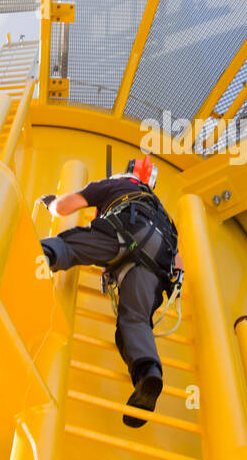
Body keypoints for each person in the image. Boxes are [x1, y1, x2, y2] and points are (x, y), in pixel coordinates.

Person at [37, 156, 182, 428]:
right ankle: (147, 373)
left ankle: (38, 258)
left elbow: (65, 207)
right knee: (136, 321)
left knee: (68, 245)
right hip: (156, 258)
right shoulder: (163, 213)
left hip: (122, 231)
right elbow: (178, 261)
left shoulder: (112, 187)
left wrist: (50, 203)